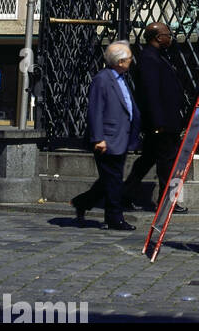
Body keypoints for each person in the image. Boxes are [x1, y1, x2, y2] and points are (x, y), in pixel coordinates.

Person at [71, 42, 142, 230]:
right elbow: (96, 110)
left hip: (121, 136)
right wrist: (98, 138)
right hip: (107, 138)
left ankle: (83, 202)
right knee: (114, 180)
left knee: (109, 179)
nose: (131, 61)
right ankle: (114, 218)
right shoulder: (102, 79)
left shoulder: (121, 77)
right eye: (128, 58)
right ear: (120, 62)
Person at [122, 23, 186, 214]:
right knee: (166, 162)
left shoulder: (158, 56)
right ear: (158, 38)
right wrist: (158, 123)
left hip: (164, 121)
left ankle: (125, 194)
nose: (171, 37)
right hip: (161, 123)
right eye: (168, 34)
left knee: (148, 159)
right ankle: (166, 201)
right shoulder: (149, 58)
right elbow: (151, 93)